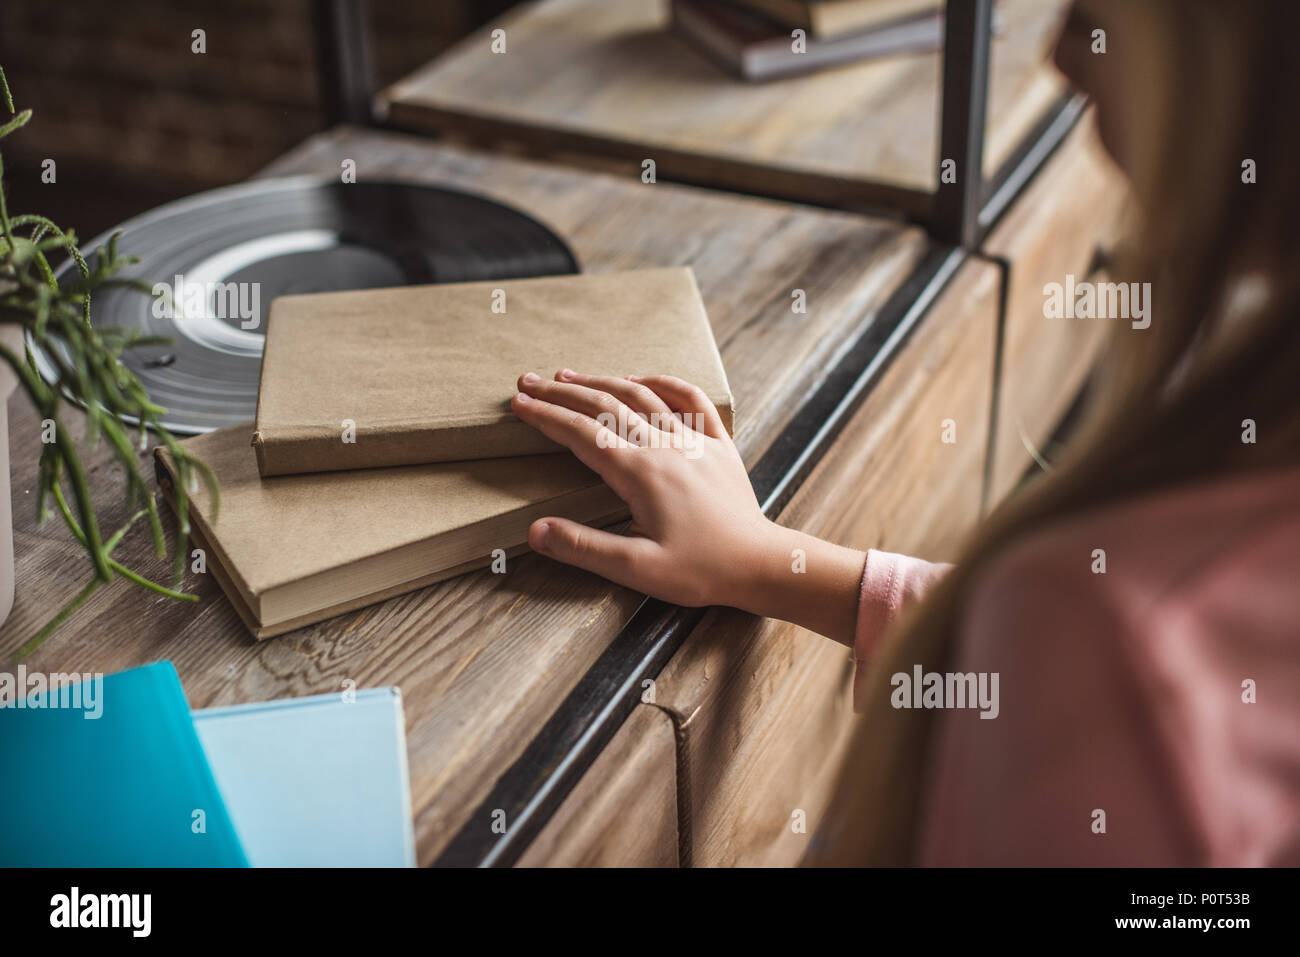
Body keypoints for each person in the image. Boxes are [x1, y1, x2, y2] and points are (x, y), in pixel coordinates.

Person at [509, 0, 1300, 866]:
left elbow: (1108, 673)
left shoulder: (1102, 632)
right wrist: (771, 563)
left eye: (1089, 16)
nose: (1058, 62)